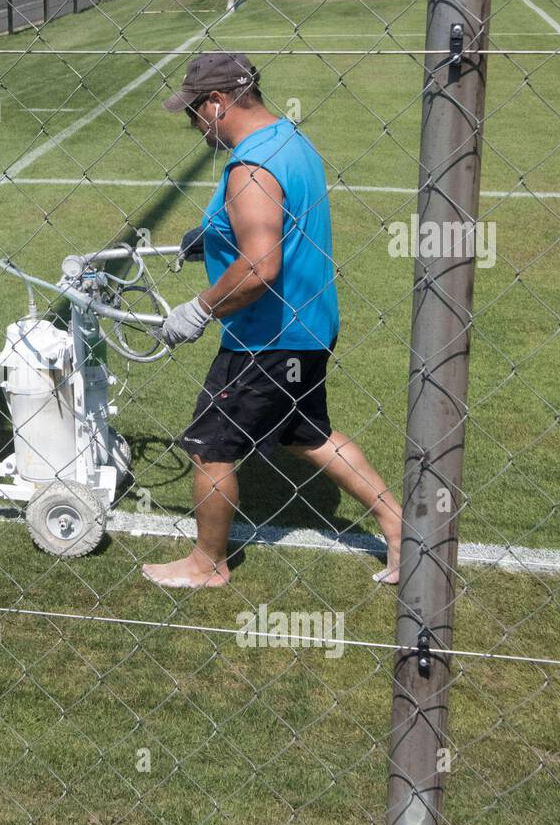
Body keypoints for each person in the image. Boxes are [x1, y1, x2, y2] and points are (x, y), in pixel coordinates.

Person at [141, 52, 403, 589]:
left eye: (195, 111)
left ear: (217, 102)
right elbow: (277, 226)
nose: (194, 125)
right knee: (307, 433)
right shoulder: (289, 140)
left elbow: (260, 265)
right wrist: (209, 239)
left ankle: (208, 563)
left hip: (266, 338)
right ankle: (399, 526)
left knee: (210, 444)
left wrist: (200, 309)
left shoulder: (249, 166)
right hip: (309, 325)